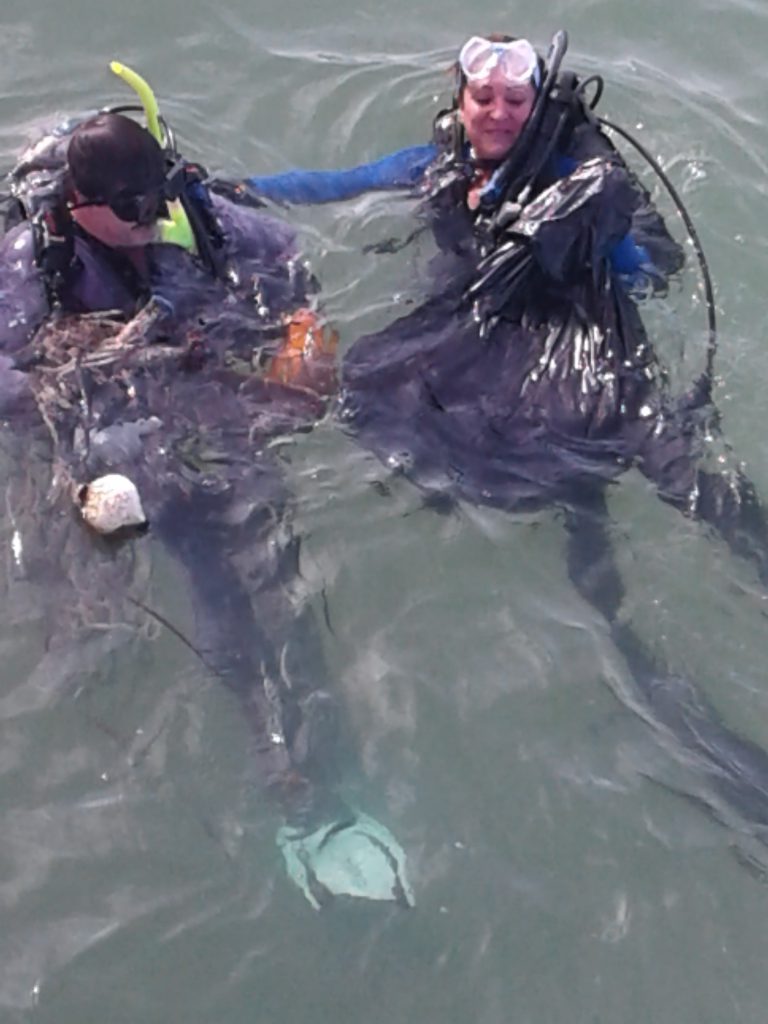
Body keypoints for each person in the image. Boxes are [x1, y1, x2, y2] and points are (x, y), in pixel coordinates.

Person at [233, 32, 768, 842]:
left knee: (691, 485)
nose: (497, 113)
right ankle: (710, 756)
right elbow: (334, 186)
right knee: (598, 581)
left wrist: (579, 228)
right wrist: (234, 192)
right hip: (485, 366)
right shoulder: (435, 166)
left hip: (596, 369)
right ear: (460, 99)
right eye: (483, 98)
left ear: (536, 105)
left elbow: (646, 270)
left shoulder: (575, 179)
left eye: (515, 101)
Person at [0, 67, 413, 910]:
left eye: (157, 201)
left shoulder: (188, 213)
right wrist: (71, 375)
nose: (153, 221)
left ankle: (325, 778)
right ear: (78, 204)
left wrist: (304, 342)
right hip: (112, 438)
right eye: (132, 211)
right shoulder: (30, 264)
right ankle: (283, 790)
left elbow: (287, 262)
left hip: (210, 408)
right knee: (177, 599)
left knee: (277, 584)